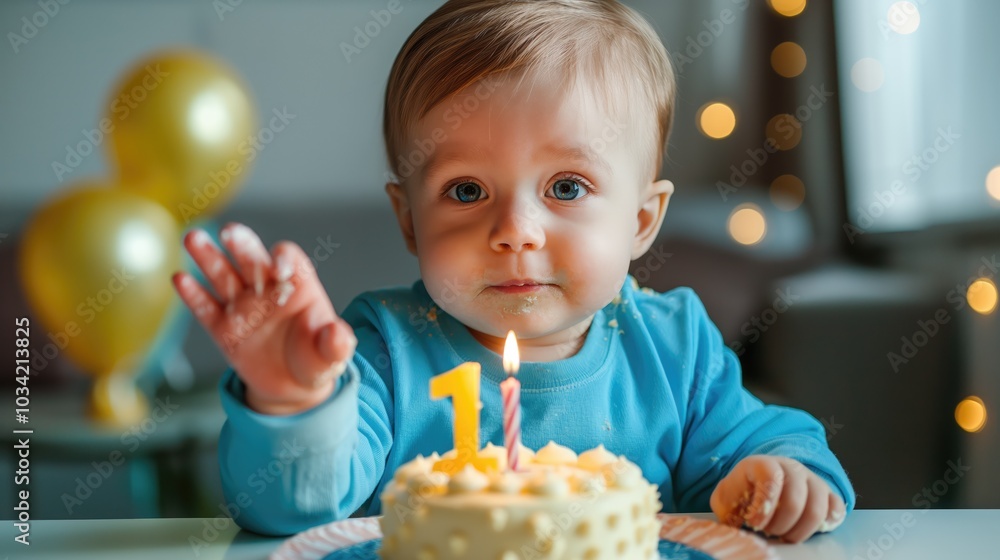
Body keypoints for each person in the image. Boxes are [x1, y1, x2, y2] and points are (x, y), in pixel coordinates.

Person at [172, 0, 854, 542]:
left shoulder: (672, 347)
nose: (514, 233)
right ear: (410, 220)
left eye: (566, 187)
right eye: (467, 190)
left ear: (641, 221)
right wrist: (296, 404)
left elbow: (769, 439)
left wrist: (782, 477)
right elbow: (288, 511)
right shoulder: (382, 349)